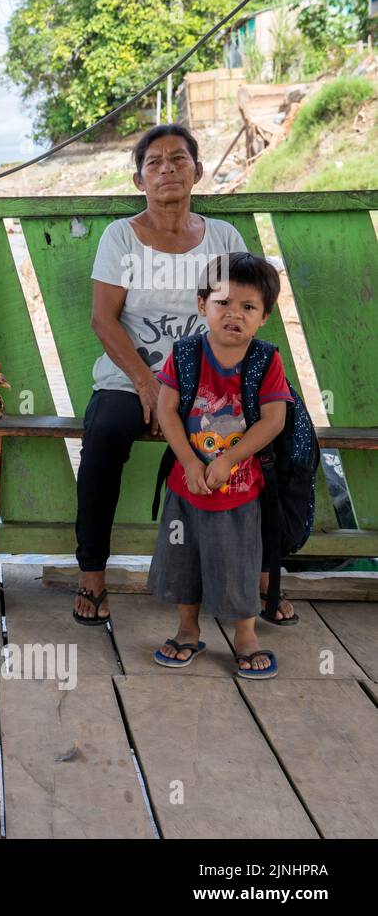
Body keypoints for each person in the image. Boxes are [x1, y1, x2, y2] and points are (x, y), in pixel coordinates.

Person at [74, 125, 293, 625]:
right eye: (154, 162)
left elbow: (245, 313)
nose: (167, 168)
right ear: (138, 179)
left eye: (178, 159)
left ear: (197, 170)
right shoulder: (120, 238)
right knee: (104, 434)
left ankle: (265, 577)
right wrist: (149, 385)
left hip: (213, 384)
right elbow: (103, 320)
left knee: (282, 433)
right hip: (133, 379)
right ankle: (91, 575)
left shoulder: (222, 238)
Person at [149, 252, 290, 678]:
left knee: (239, 560)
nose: (234, 314)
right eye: (223, 303)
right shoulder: (186, 354)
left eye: (248, 307)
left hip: (240, 485)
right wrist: (191, 462)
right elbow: (168, 410)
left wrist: (229, 458)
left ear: (264, 316)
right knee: (183, 558)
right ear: (201, 305)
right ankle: (187, 630)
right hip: (186, 484)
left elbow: (274, 419)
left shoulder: (266, 361)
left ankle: (245, 636)